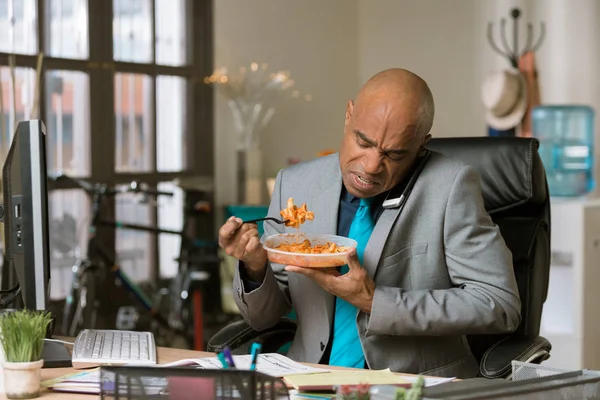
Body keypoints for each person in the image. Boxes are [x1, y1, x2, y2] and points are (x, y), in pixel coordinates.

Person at [218, 68, 521, 378]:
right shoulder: (294, 185)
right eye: (363, 142)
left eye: (394, 154)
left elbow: (498, 304)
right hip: (308, 380)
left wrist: (374, 301)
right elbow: (263, 319)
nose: (371, 166)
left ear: (421, 145)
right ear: (349, 115)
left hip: (411, 385)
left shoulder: (451, 186)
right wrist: (255, 269)